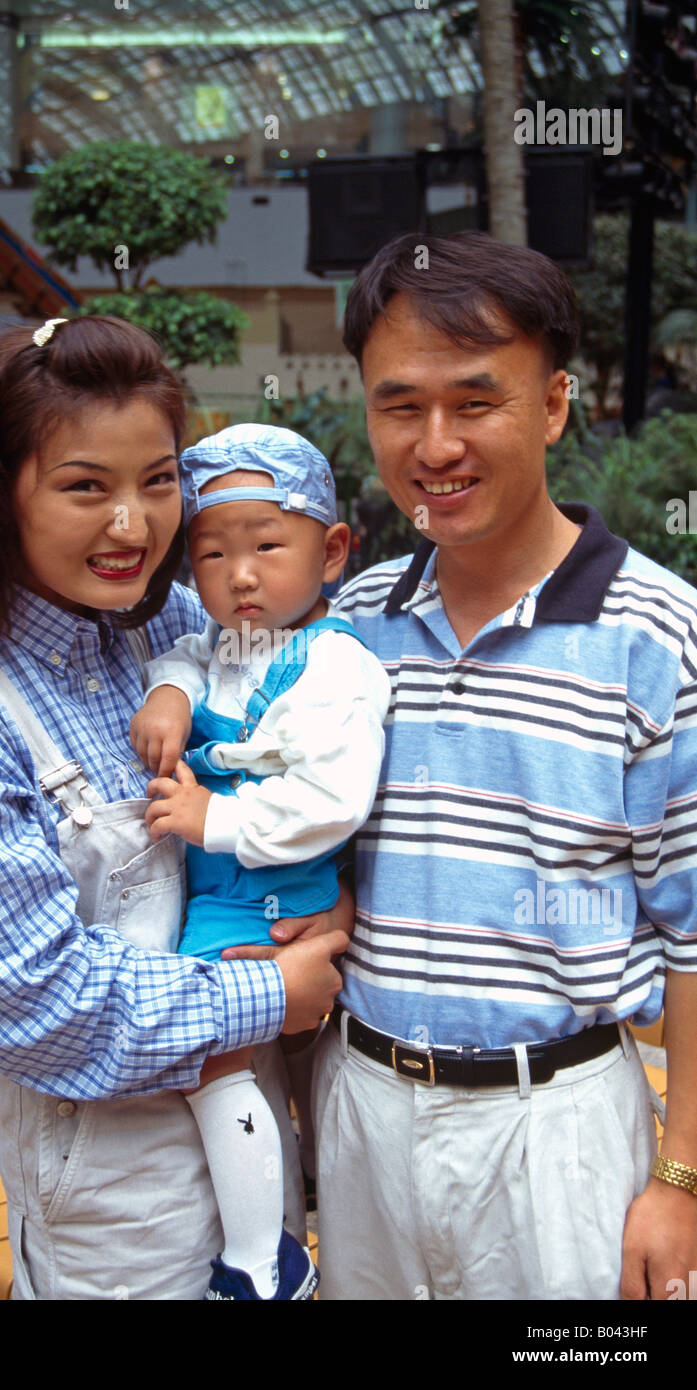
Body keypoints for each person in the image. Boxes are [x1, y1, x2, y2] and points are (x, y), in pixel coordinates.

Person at [0, 315, 349, 1300]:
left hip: (260, 1124)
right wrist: (272, 991)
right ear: (2, 493)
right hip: (115, 1195)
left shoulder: (167, 627)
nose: (134, 525)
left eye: (159, 481)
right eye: (87, 486)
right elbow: (27, 993)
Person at [311, 231, 697, 1301]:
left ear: (556, 405)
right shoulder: (346, 627)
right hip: (365, 1116)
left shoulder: (658, 636)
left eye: (476, 401)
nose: (436, 445)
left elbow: (696, 938)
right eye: (401, 405)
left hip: (560, 1132)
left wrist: (680, 1177)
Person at [130, 423, 390, 1299]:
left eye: (267, 547)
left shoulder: (335, 665)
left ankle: (260, 1261)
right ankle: (284, 1234)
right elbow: (185, 656)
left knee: (215, 1057)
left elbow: (330, 802)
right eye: (209, 555)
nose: (239, 576)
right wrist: (169, 690)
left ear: (332, 552)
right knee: (255, 1065)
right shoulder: (225, 645)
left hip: (273, 888)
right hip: (228, 888)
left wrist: (216, 816)